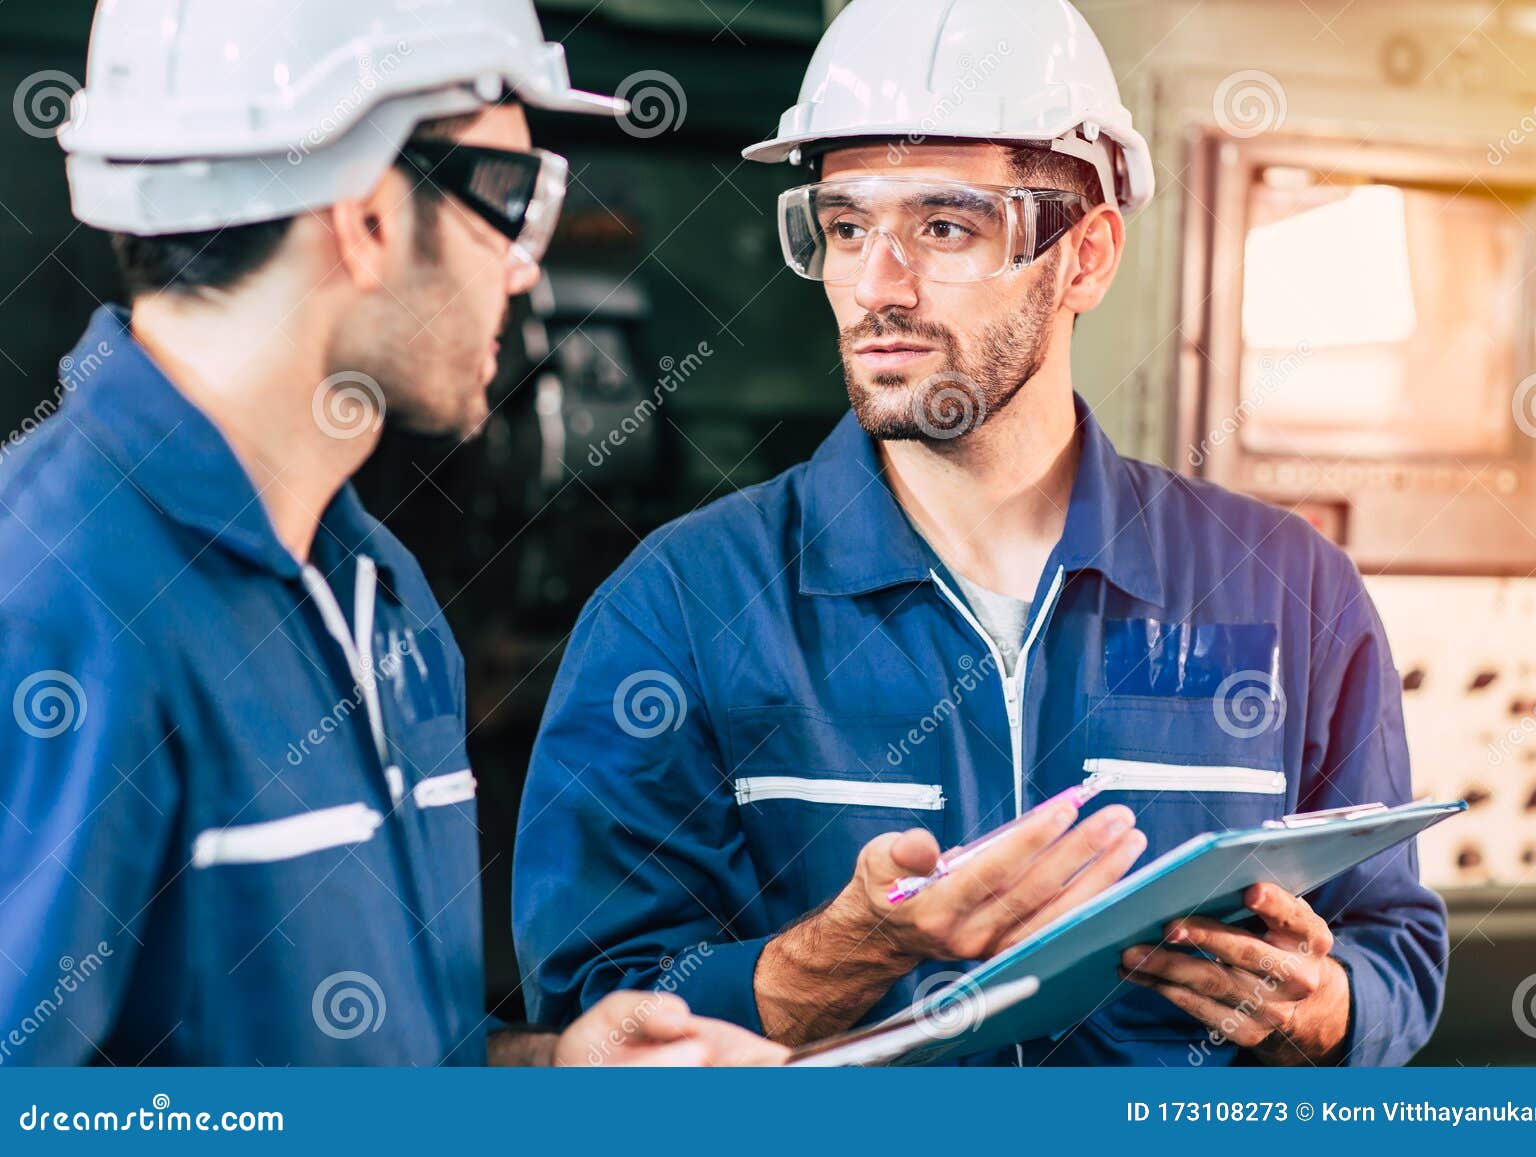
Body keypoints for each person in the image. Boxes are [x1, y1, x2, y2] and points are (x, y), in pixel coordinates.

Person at [513, 0, 1447, 1066]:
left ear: (1086, 257)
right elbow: (596, 1015)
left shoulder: (1288, 589)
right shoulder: (682, 606)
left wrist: (1325, 1009)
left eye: (944, 228)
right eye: (846, 227)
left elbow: (1394, 943)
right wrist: (848, 954)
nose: (876, 287)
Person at [0, 0, 782, 1068]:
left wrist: (553, 1073)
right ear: (368, 219)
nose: (524, 267)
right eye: (513, 201)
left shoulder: (379, 590)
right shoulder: (53, 606)